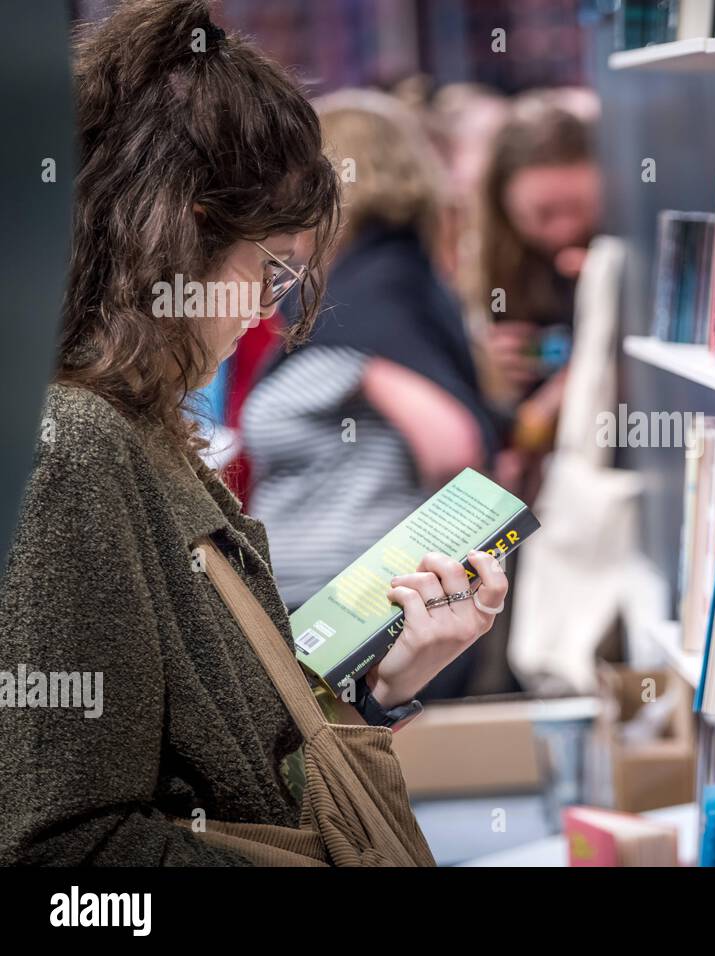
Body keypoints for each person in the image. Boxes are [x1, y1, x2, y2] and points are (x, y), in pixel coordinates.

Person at [0, 0, 505, 866]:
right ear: (178, 233)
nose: (271, 309)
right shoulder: (76, 446)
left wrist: (378, 686)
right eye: (272, 268)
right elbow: (66, 853)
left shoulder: (129, 423)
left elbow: (228, 757)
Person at [241, 89, 503, 697]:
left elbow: (454, 441)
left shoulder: (367, 294)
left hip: (354, 620)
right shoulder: (395, 281)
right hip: (348, 617)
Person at [475, 94, 603, 499]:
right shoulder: (479, 264)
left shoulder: (622, 247)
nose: (564, 230)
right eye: (543, 214)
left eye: (579, 208)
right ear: (503, 203)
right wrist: (481, 362)